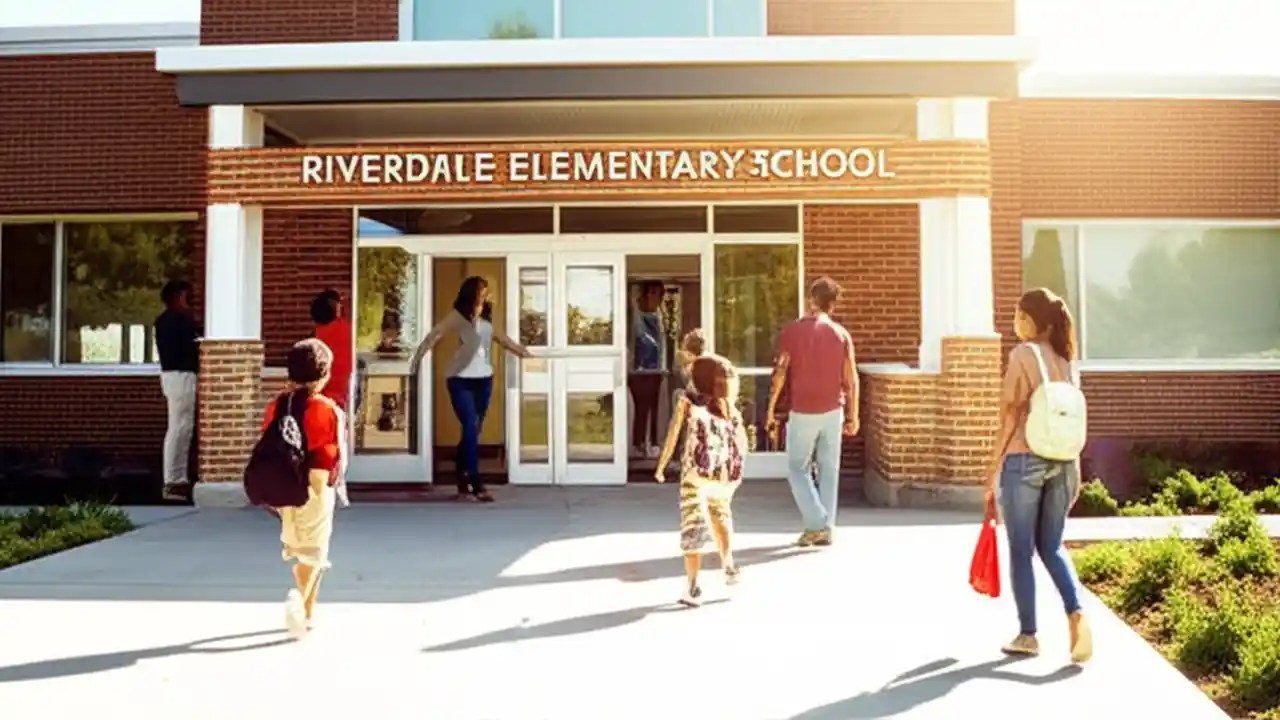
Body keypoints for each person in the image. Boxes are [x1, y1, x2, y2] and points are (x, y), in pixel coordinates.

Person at [983, 288, 1092, 662]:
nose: (1014, 322)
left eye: (1017, 315)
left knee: (1020, 551)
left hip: (1024, 461)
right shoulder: (1067, 360)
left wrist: (992, 466)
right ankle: (1076, 611)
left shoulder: (1022, 355)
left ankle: (1028, 635)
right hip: (1064, 463)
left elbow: (1010, 414)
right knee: (1052, 545)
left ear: (1031, 321)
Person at [409, 276, 531, 502]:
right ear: (471, 293)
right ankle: (475, 481)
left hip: (484, 380)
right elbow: (434, 335)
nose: (485, 295)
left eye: (486, 291)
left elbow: (503, 340)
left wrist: (524, 351)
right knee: (470, 425)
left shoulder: (487, 317)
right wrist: (414, 362)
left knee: (473, 431)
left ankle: (461, 471)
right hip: (460, 380)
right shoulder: (457, 317)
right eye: (482, 291)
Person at [765, 277, 859, 548]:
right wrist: (854, 415)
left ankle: (817, 523)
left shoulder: (791, 333)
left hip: (804, 410)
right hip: (834, 410)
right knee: (830, 469)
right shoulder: (841, 335)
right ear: (832, 305)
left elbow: (780, 372)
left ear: (811, 300)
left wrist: (771, 408)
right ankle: (824, 528)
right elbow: (851, 379)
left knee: (797, 468)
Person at [262, 338, 344, 638]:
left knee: (309, 551)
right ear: (324, 375)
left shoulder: (277, 405)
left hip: (283, 489)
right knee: (314, 554)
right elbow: (324, 453)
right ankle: (297, 598)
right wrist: (318, 490)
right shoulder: (324, 409)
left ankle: (308, 614)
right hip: (314, 489)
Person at [654, 354, 747, 607]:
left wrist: (661, 467)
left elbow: (673, 435)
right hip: (724, 476)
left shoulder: (688, 402)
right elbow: (742, 441)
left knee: (693, 524)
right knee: (721, 514)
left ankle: (693, 587)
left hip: (696, 475)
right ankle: (729, 566)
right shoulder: (730, 407)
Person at [154, 279, 202, 501]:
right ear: (177, 297)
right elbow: (195, 346)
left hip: (171, 376)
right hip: (181, 376)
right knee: (181, 427)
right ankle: (174, 480)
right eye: (187, 296)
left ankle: (176, 479)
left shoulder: (162, 321)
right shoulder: (180, 321)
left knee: (180, 427)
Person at [310, 289, 354, 509]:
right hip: (340, 395)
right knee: (339, 444)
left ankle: (323, 486)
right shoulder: (346, 331)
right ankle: (337, 489)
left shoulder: (317, 335)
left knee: (322, 444)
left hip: (321, 396)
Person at [629, 280, 667, 459]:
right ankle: (639, 444)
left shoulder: (658, 317)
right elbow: (642, 340)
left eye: (659, 295)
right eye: (652, 294)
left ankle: (651, 443)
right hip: (639, 371)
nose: (656, 299)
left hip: (656, 371)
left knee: (654, 407)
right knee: (642, 407)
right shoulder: (636, 317)